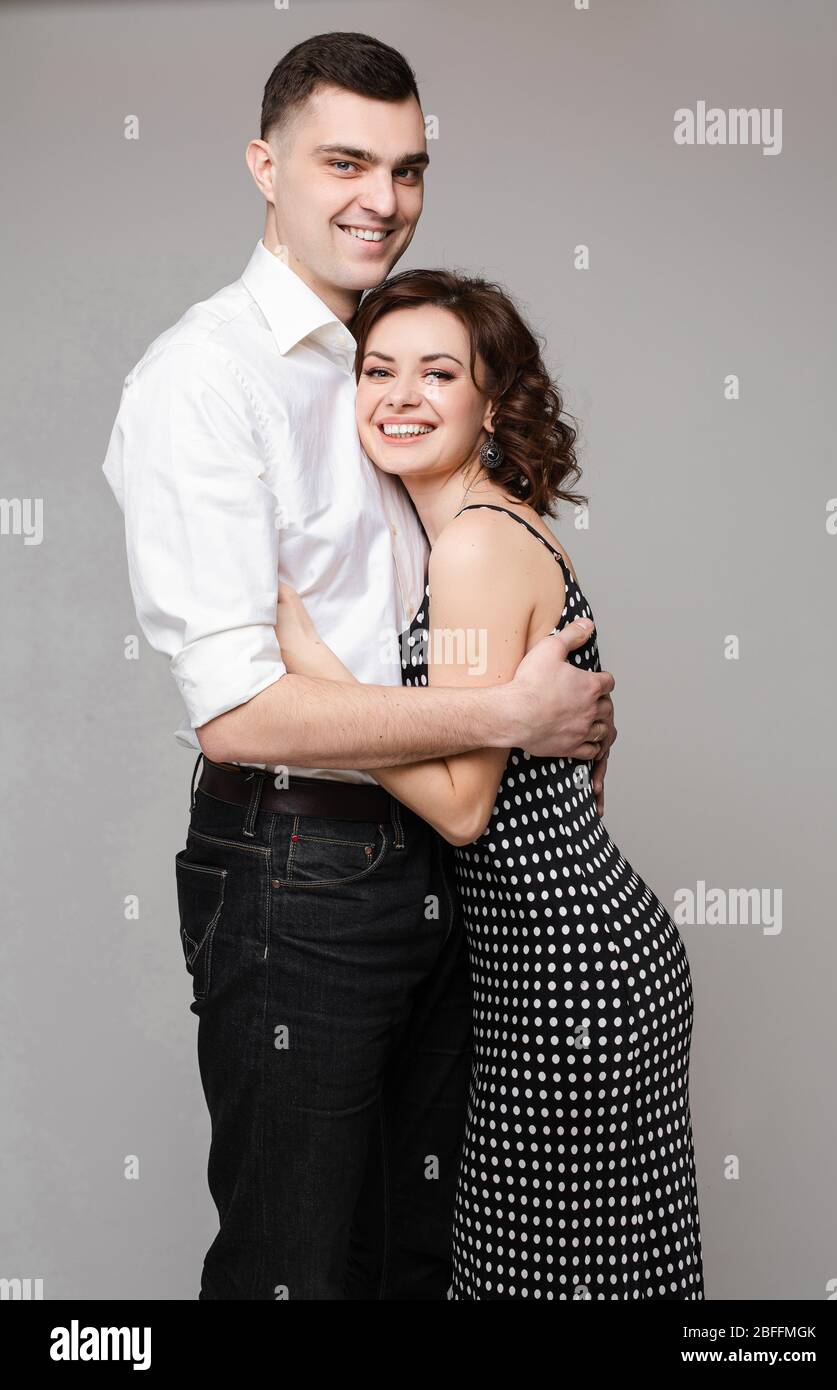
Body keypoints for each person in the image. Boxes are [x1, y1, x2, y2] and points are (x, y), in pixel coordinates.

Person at [101, 32, 616, 1300]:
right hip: (297, 866)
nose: (378, 201)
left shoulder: (379, 360)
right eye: (344, 162)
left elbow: (471, 599)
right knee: (298, 1263)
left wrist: (551, 718)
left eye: (406, 169)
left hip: (445, 867)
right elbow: (236, 712)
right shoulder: (206, 379)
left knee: (414, 1261)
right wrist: (509, 711)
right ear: (263, 165)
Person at [274, 268, 704, 1301]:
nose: (400, 395)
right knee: (582, 1271)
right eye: (378, 370)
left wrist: (311, 676)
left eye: (437, 372)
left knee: (551, 1279)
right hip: (557, 956)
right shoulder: (483, 527)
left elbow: (465, 808)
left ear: (492, 401)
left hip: (568, 968)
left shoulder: (472, 542)